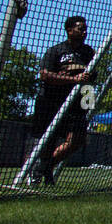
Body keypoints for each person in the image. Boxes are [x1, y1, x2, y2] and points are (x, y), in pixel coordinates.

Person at [26, 15, 96, 186]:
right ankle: (38, 171)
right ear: (69, 30)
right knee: (46, 142)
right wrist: (73, 79)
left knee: (77, 140)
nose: (85, 31)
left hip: (76, 104)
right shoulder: (56, 51)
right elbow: (44, 75)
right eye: (80, 28)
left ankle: (45, 167)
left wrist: (88, 98)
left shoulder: (88, 52)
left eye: (85, 28)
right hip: (51, 101)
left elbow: (92, 77)